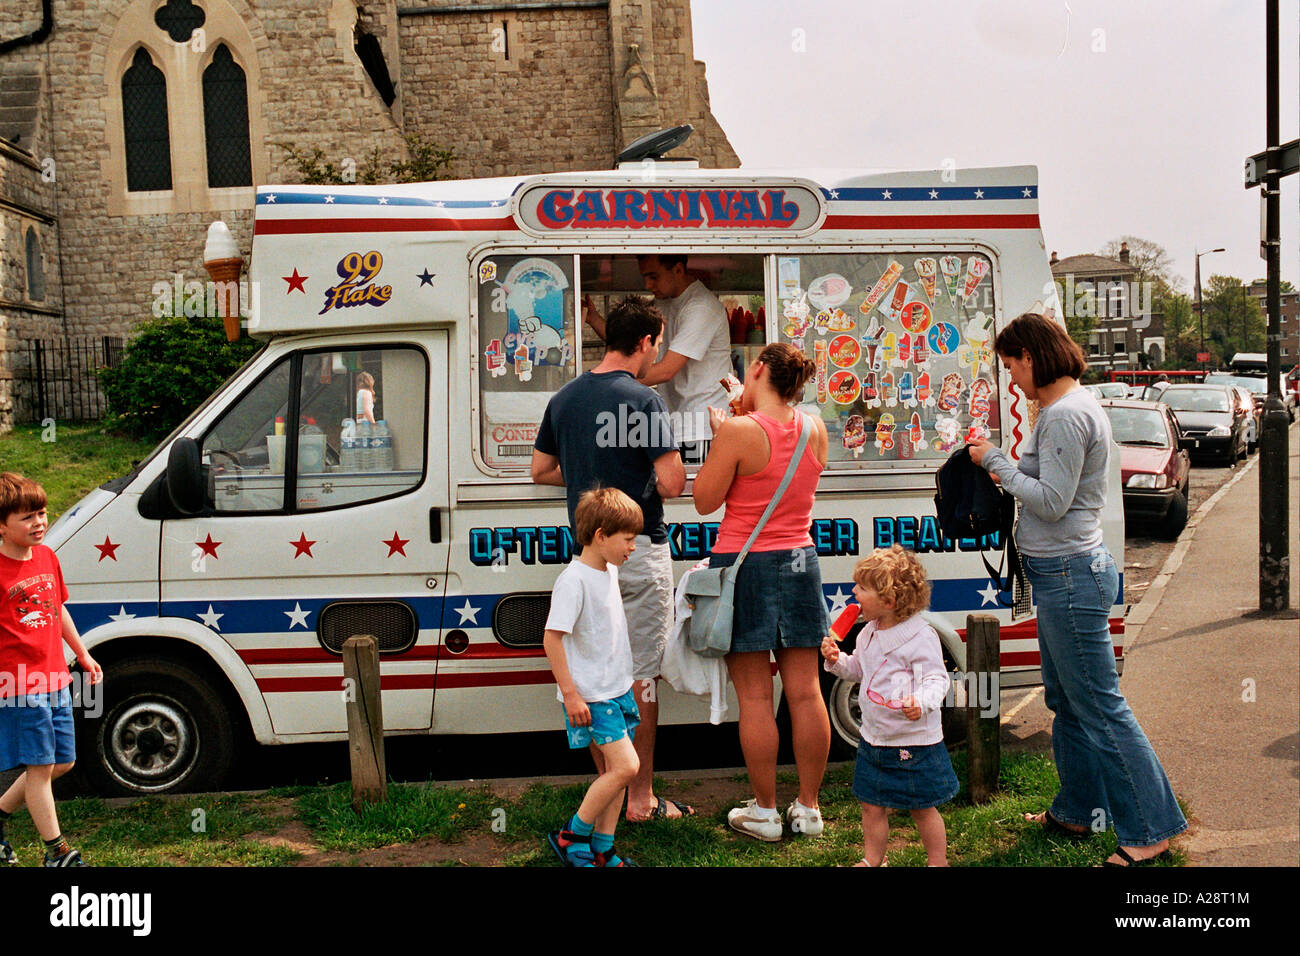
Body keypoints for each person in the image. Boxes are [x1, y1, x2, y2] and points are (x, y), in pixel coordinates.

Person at [968, 312, 1187, 866]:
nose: (1011, 377)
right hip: (1064, 572)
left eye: (1012, 364)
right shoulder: (1070, 407)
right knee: (1068, 700)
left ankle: (1149, 830)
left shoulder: (1064, 415)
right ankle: (1078, 810)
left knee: (1098, 705)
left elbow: (1050, 500)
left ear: (1033, 357)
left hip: (1069, 573)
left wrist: (993, 461)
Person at [532, 296, 692, 823]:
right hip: (640, 549)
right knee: (641, 676)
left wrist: (586, 479)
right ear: (644, 343)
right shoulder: (643, 401)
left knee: (598, 678)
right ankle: (640, 798)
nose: (656, 354)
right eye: (656, 345)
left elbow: (540, 470)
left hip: (589, 558)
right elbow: (671, 482)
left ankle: (609, 792)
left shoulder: (565, 398)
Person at [692, 342, 831, 841]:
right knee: (806, 690)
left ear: (756, 369)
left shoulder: (736, 430)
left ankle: (766, 812)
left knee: (755, 696)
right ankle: (809, 808)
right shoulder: (815, 427)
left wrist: (722, 436)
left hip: (743, 565)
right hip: (800, 560)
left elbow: (705, 501)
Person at [821, 546, 957, 867]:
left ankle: (938, 862)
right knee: (871, 806)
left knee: (922, 808)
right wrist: (836, 661)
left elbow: (937, 680)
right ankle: (873, 860)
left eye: (862, 587)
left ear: (888, 601)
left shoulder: (920, 637)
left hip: (913, 743)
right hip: (874, 739)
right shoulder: (868, 632)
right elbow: (859, 670)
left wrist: (920, 702)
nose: (853, 591)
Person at [0, 472, 102, 867]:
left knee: (63, 762)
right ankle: (56, 852)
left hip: (56, 676)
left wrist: (82, 653)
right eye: (26, 517)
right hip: (20, 684)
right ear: (2, 527)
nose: (38, 522)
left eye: (41, 513)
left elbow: (57, 609)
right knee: (40, 768)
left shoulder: (47, 557)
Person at [542, 488, 644, 867]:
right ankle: (572, 835)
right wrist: (571, 694)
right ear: (601, 536)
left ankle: (603, 847)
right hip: (592, 696)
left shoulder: (609, 570)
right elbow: (552, 639)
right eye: (628, 539)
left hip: (616, 690)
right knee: (626, 768)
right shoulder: (574, 580)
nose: (633, 547)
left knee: (617, 773)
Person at [583, 254, 732, 463]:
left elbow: (665, 371)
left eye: (653, 276)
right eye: (644, 276)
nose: (647, 284)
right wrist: (594, 319)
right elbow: (629, 345)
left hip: (702, 429)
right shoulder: (663, 302)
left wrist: (604, 386)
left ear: (678, 270)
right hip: (674, 425)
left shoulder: (702, 307)